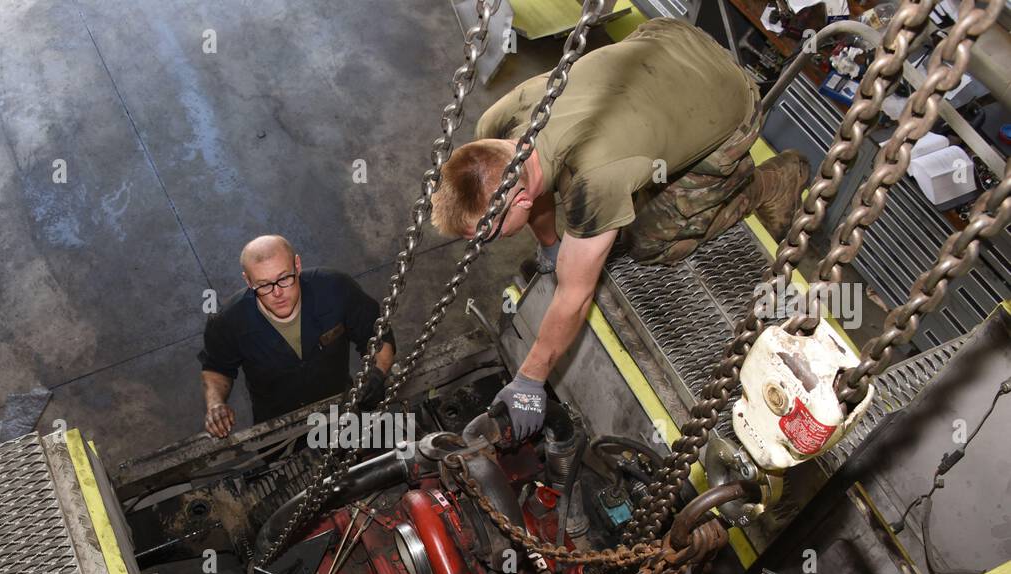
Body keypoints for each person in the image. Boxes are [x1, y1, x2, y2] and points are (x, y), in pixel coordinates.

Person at [431, 18, 809, 439]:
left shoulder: (597, 179)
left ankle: (770, 182)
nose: (485, 245)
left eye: (487, 233)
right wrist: (554, 246)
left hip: (726, 101)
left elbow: (575, 296)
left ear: (515, 200)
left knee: (651, 240)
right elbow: (534, 193)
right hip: (665, 41)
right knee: (611, 191)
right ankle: (656, 156)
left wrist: (530, 379)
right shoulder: (495, 130)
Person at [198, 235, 395, 437]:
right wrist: (216, 404)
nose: (277, 293)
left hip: (343, 410)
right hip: (278, 431)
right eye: (264, 285)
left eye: (284, 278)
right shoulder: (228, 322)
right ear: (248, 281)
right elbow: (216, 368)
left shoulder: (336, 289)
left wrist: (377, 374)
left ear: (298, 265)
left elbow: (376, 335)